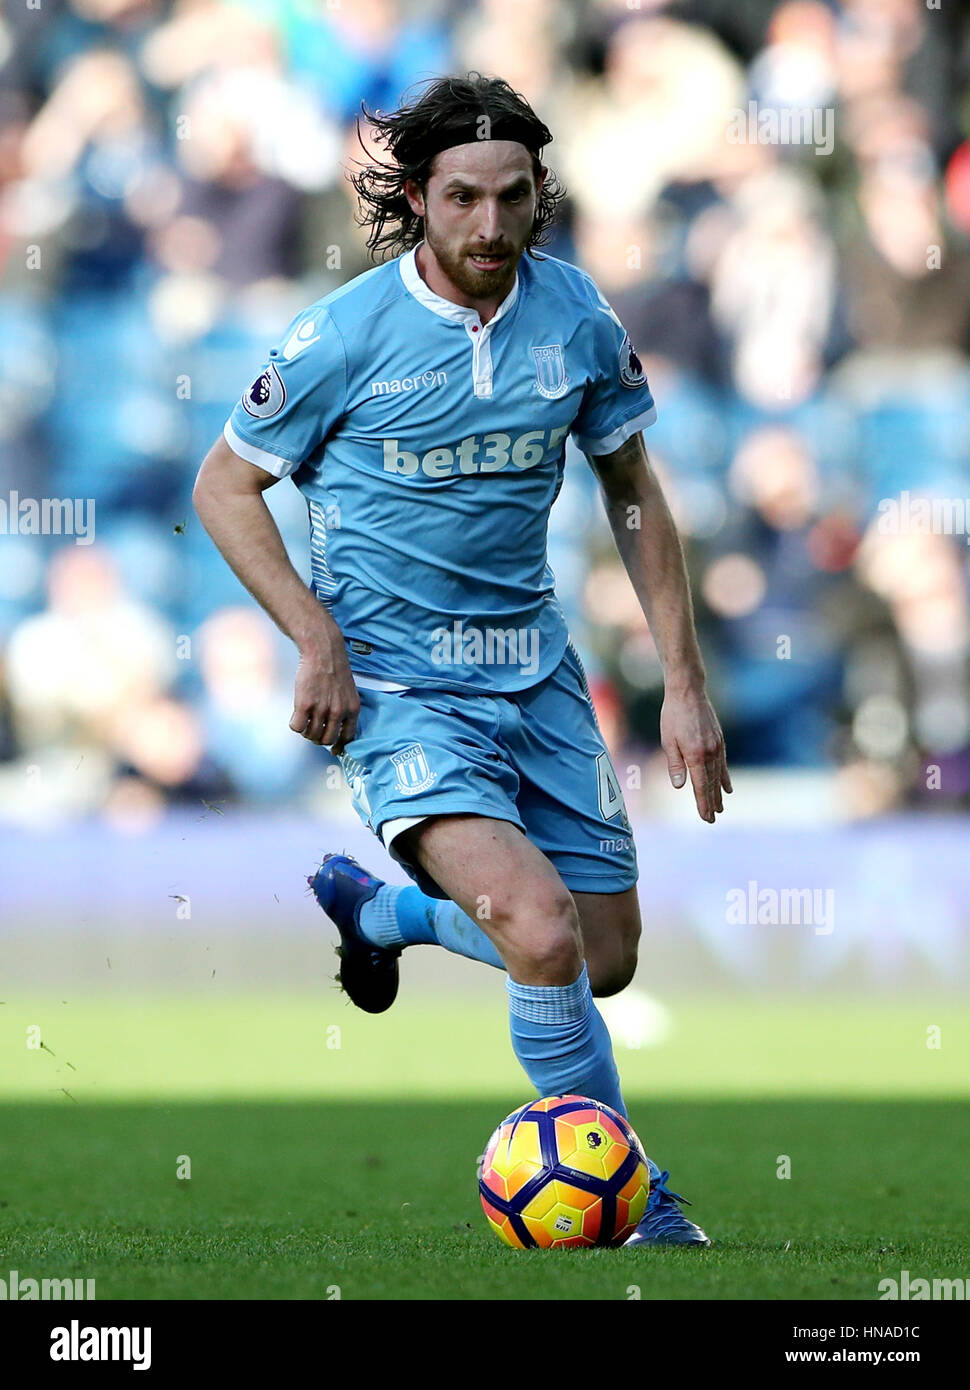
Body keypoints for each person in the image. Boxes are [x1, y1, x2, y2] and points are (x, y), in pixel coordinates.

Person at [193, 73, 731, 1247]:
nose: (490, 227)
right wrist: (315, 635)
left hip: (534, 674)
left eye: (513, 197)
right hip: (396, 687)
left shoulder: (578, 316)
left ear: (541, 197)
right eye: (462, 200)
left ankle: (382, 915)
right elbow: (224, 486)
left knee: (603, 956)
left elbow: (632, 489)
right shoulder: (341, 335)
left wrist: (683, 679)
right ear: (418, 201)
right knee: (537, 931)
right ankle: (643, 1203)